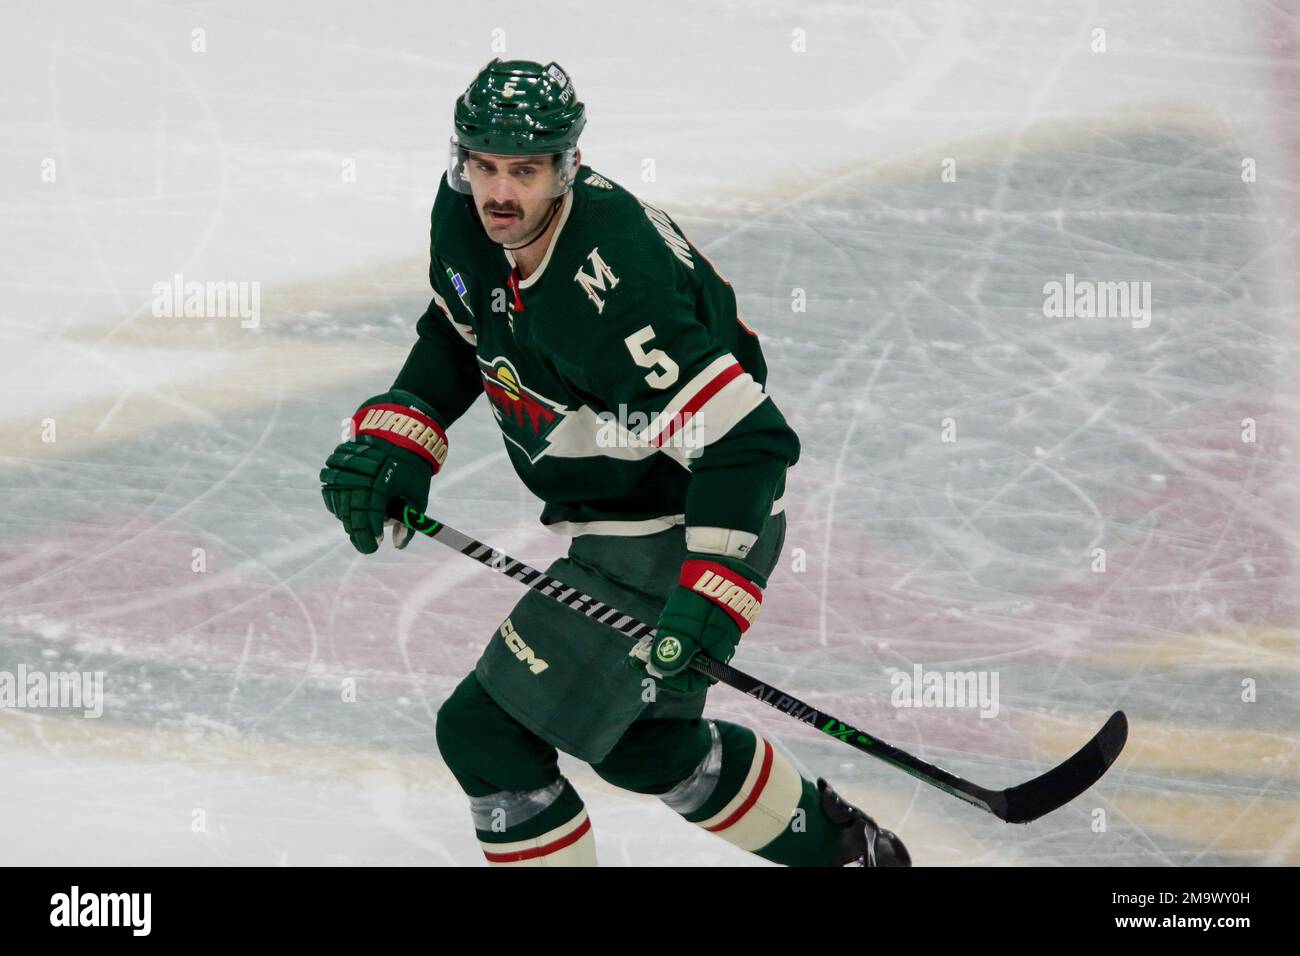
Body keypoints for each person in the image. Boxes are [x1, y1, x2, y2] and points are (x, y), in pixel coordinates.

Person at [320, 58, 909, 867]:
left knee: (486, 734)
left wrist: (715, 588)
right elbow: (462, 330)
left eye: (524, 171)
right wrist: (403, 432)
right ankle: (851, 856)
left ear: (567, 167)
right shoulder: (464, 216)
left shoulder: (612, 283)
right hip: (611, 522)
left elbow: (747, 443)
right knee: (641, 746)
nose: (498, 192)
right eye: (482, 165)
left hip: (681, 526)